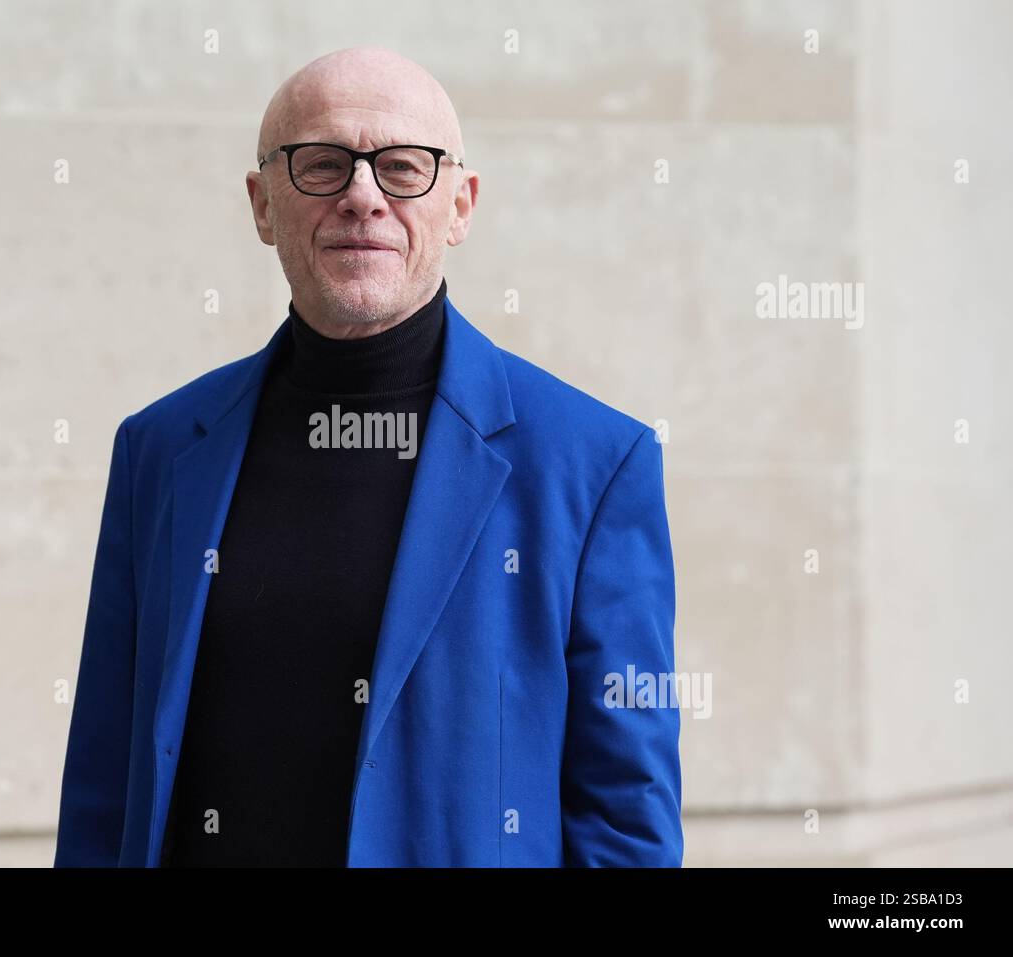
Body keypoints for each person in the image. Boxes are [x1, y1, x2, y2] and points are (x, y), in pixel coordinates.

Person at [54, 45, 682, 867]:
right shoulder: (161, 449)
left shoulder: (594, 463)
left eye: (402, 167)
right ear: (262, 204)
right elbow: (105, 781)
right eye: (321, 165)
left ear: (460, 205)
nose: (362, 197)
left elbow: (626, 818)